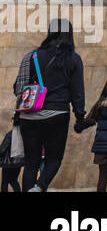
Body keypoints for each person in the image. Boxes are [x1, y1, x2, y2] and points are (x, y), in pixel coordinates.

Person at [13, 18, 86, 192]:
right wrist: (80, 116)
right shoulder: (73, 59)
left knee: (31, 163)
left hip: (29, 115)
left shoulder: (32, 56)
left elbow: (17, 88)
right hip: (57, 114)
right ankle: (39, 187)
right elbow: (78, 92)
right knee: (54, 159)